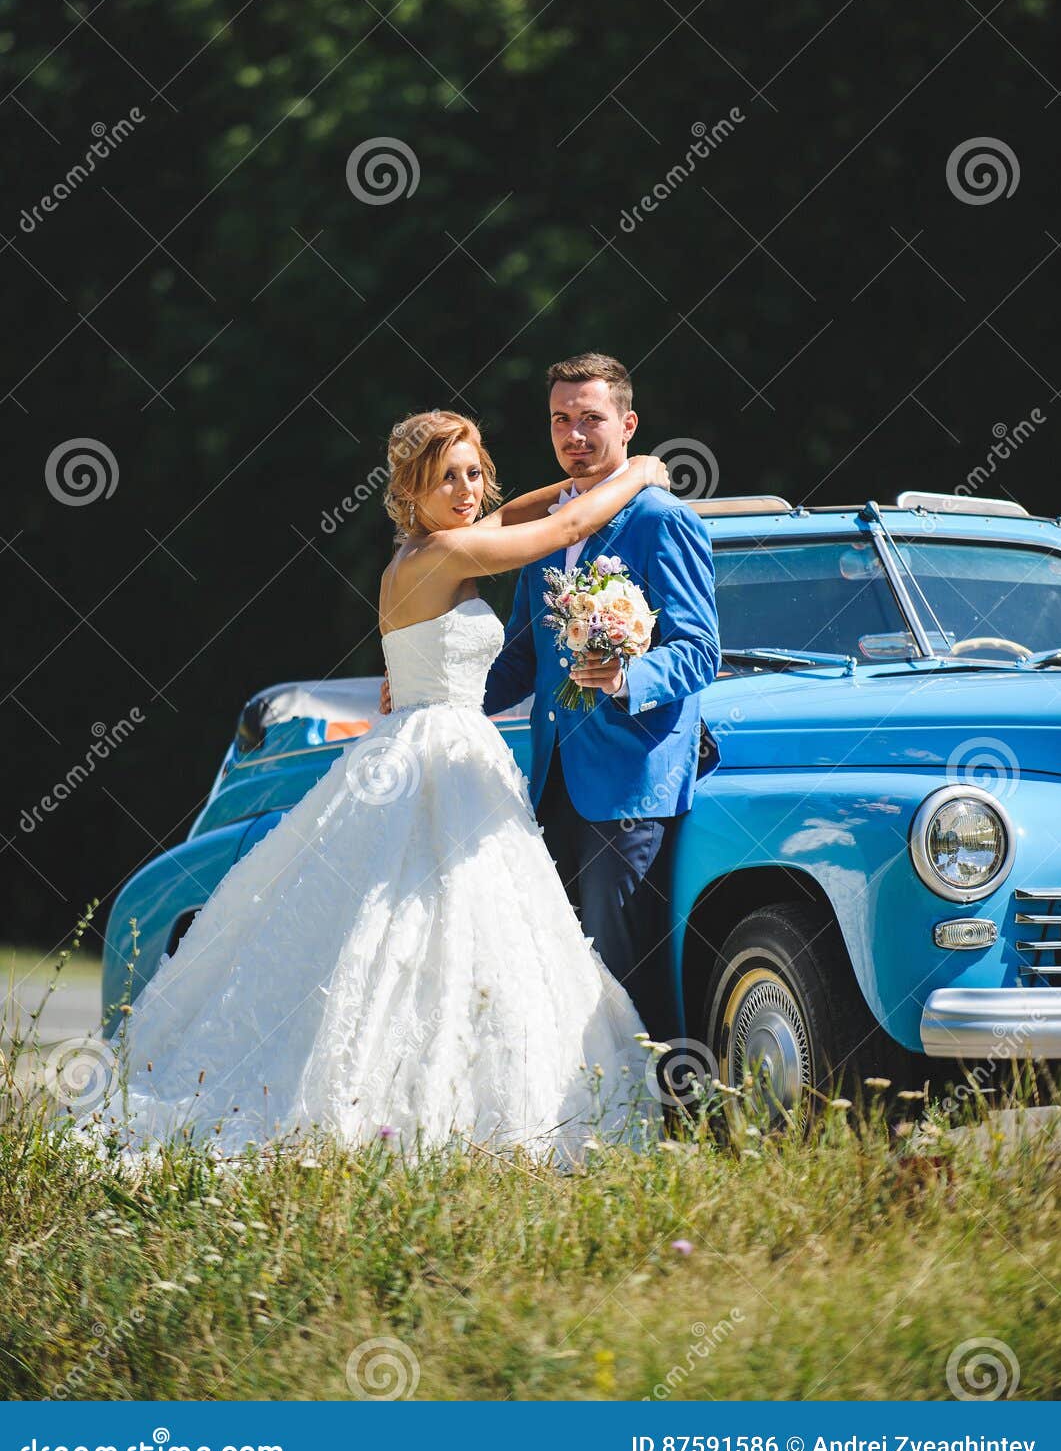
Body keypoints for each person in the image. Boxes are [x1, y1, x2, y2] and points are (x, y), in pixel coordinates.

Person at [90, 410, 670, 1163]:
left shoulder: (437, 545)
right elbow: (558, 535)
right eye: (443, 479)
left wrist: (573, 481)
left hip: (438, 743)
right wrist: (636, 473)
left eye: (470, 471)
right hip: (437, 752)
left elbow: (519, 513)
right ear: (411, 491)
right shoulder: (445, 554)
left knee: (452, 924)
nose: (465, 491)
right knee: (423, 919)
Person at [482, 354, 720, 1041]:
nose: (574, 435)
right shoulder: (546, 528)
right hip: (551, 775)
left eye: (591, 418)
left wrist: (623, 679)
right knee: (558, 962)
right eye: (561, 419)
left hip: (628, 783)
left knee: (622, 969)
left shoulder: (660, 519)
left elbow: (698, 650)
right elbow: (524, 655)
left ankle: (649, 1119)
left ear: (628, 424)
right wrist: (447, 702)